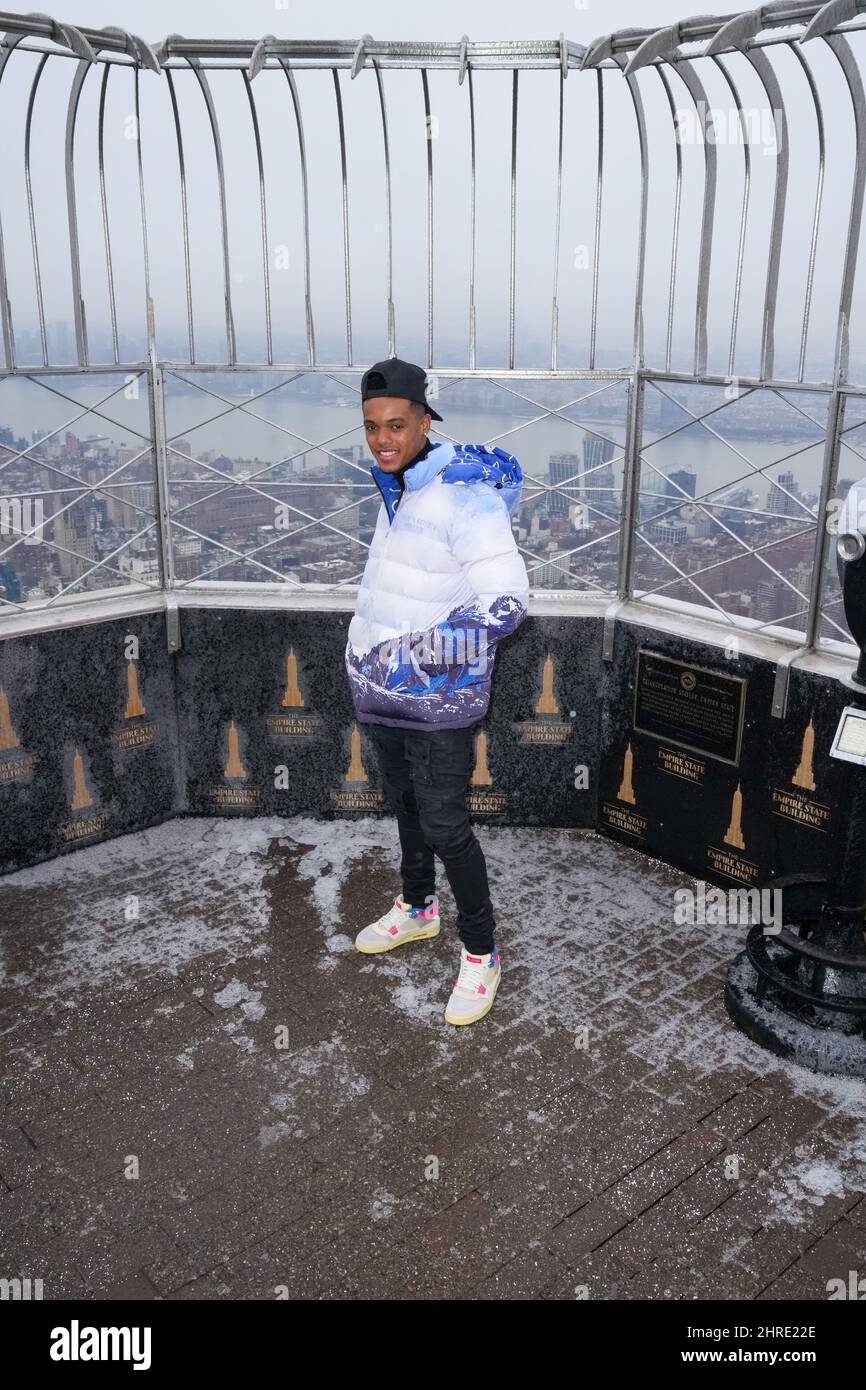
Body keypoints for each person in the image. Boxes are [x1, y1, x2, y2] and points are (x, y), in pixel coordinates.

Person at [345, 356, 529, 1025]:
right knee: (405, 806)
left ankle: (480, 953)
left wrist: (420, 656)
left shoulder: (464, 495)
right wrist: (374, 659)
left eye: (397, 425)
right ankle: (418, 909)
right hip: (383, 692)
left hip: (438, 702)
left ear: (426, 421)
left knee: (448, 826)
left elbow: (507, 601)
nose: (383, 439)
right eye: (372, 427)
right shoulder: (395, 486)